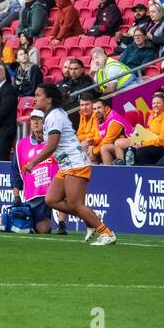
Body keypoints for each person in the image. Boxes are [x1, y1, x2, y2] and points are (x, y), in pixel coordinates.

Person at [21, 83, 116, 246]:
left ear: (49, 99)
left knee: (75, 204)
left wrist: (33, 163)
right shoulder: (52, 114)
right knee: (51, 199)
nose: (35, 99)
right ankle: (91, 219)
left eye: (38, 95)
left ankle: (106, 232)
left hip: (75, 163)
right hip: (66, 164)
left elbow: (52, 146)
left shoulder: (55, 116)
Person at [11, 109, 62, 235]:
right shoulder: (21, 144)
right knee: (42, 230)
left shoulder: (54, 141)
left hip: (54, 187)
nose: (35, 123)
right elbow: (15, 171)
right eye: (33, 119)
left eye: (39, 119)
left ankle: (62, 224)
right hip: (34, 194)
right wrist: (16, 195)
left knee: (66, 199)